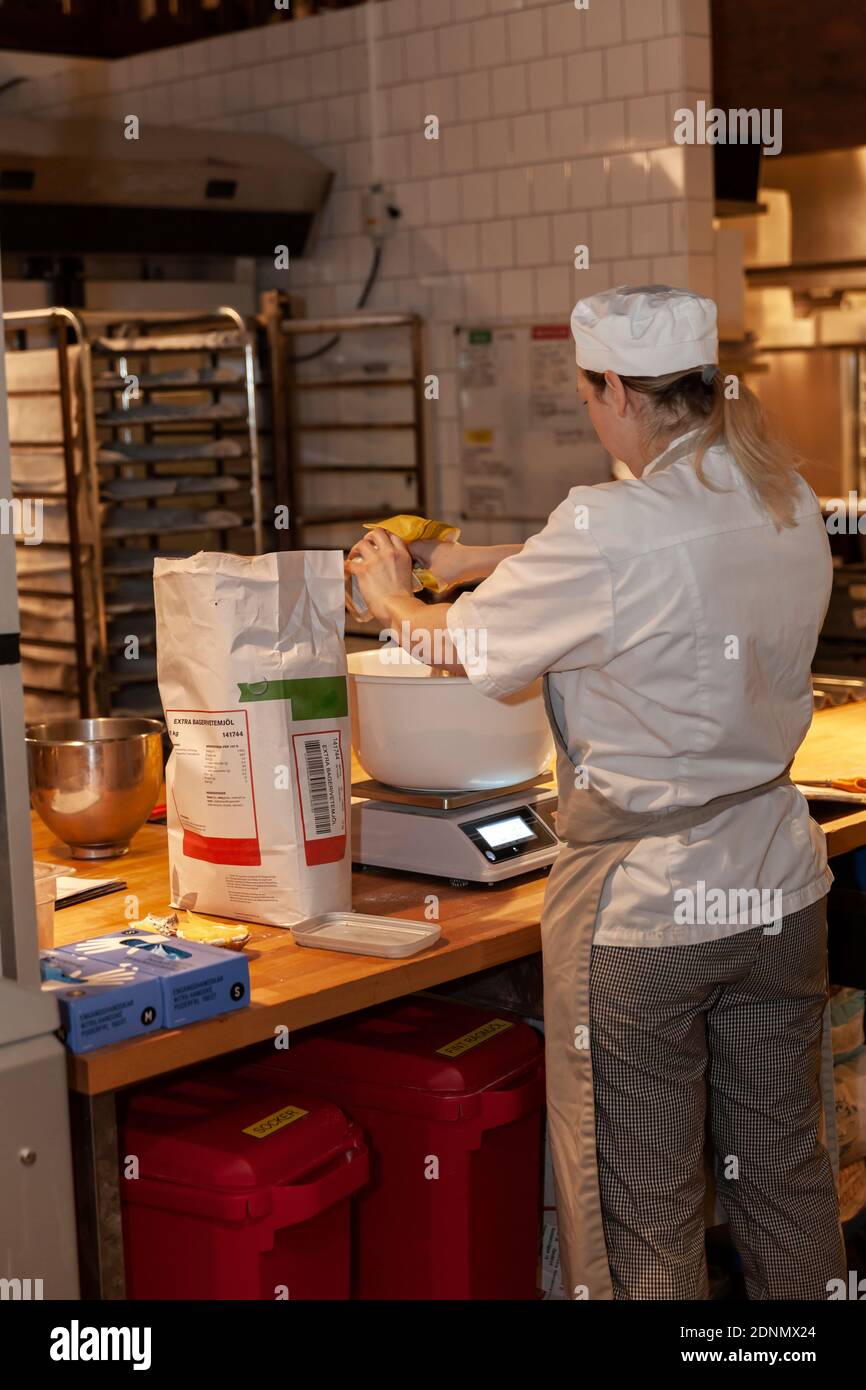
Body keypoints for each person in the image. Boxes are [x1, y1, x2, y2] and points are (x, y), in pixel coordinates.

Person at [347, 284, 846, 1301]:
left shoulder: (608, 524)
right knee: (787, 1180)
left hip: (646, 915)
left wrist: (390, 597)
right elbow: (639, 561)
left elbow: (474, 642)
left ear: (613, 387)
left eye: (587, 392)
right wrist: (475, 558)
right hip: (775, 886)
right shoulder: (781, 492)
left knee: (644, 1215)